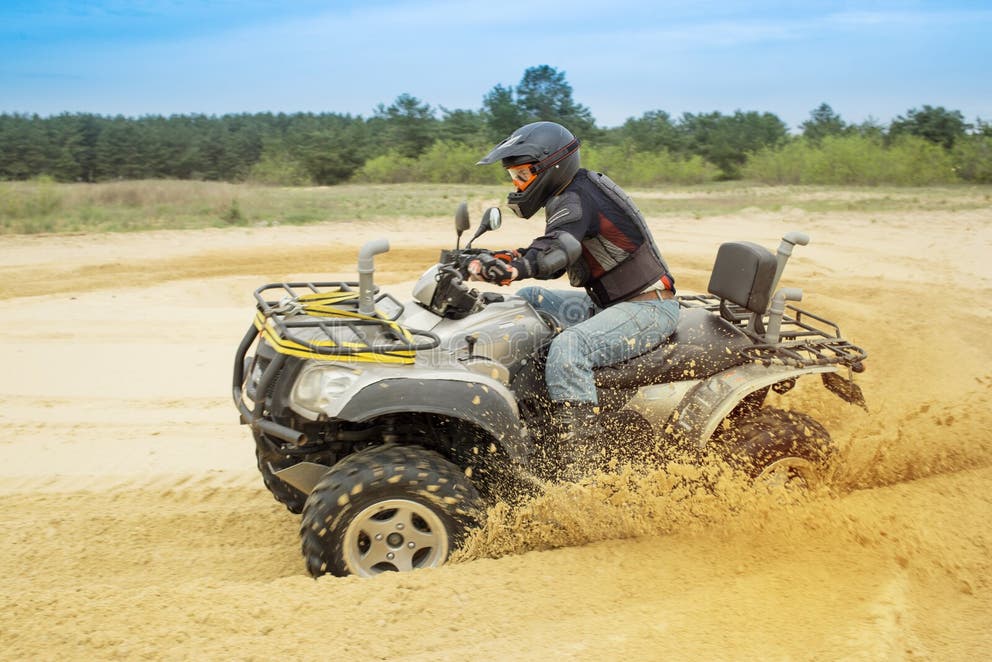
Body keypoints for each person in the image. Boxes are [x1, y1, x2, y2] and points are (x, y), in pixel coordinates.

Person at [470, 120, 681, 477]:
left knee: (569, 349)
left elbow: (555, 253)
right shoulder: (574, 191)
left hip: (648, 307)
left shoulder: (576, 198)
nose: (517, 185)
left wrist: (513, 266)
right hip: (614, 305)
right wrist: (499, 259)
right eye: (513, 177)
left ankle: (580, 465)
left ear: (552, 166)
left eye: (522, 175)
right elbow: (552, 254)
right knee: (530, 297)